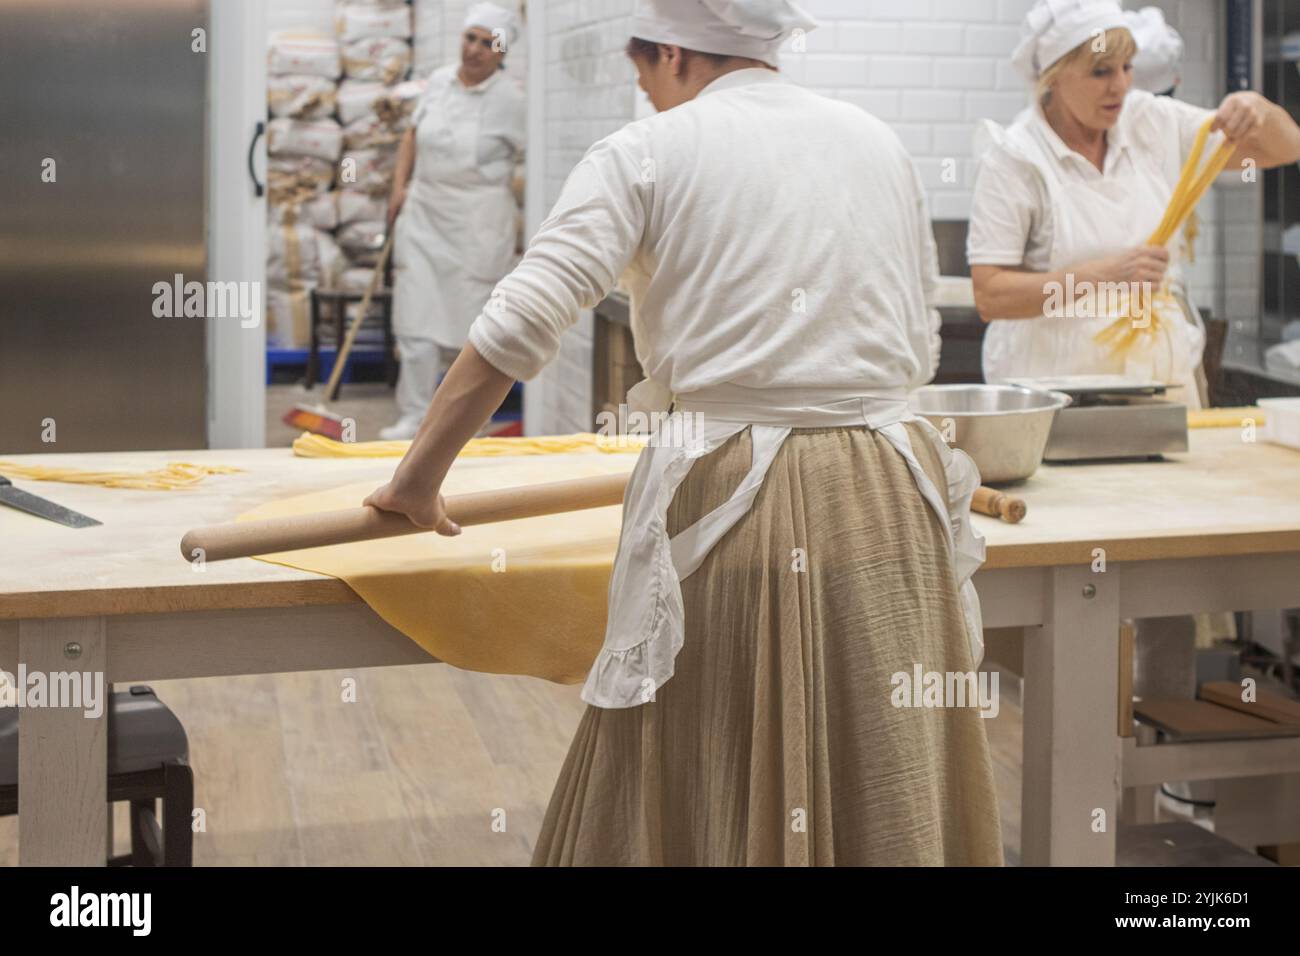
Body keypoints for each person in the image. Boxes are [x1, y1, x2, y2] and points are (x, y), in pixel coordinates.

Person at [365, 0, 1004, 865]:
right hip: (894, 491)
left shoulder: (646, 151)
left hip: (740, 493)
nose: (651, 98)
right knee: (879, 769)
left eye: (644, 77)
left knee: (714, 763)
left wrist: (415, 481)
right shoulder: (876, 139)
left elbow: (518, 324)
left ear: (671, 51)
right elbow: (917, 340)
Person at [967, 0, 1300, 408]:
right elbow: (991, 296)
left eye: (1127, 67)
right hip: (1057, 398)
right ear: (1053, 76)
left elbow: (1284, 149)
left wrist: (1258, 108)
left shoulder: (1149, 122)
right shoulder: (1015, 157)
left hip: (1160, 387)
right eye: (1101, 72)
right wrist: (1106, 274)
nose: (1120, 86)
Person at [381, 1, 526, 441]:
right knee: (415, 316)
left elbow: (528, 166)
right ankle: (413, 417)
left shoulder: (513, 101)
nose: (476, 50)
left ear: (502, 52)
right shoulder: (439, 82)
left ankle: (465, 422)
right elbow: (412, 134)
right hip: (425, 212)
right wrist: (398, 187)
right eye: (471, 38)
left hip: (478, 221)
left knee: (472, 326)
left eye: (488, 43)